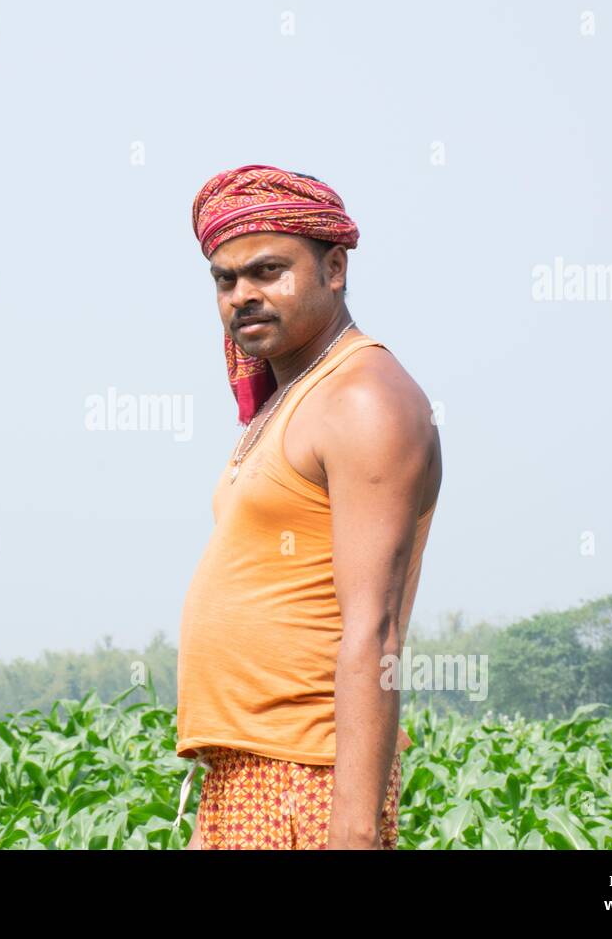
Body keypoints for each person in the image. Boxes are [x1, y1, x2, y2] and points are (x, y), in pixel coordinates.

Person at [176, 164, 442, 850]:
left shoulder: (362, 399)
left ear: (334, 268)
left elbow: (374, 632)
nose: (243, 296)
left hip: (308, 780)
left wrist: (351, 833)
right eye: (225, 279)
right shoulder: (293, 401)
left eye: (268, 271)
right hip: (247, 774)